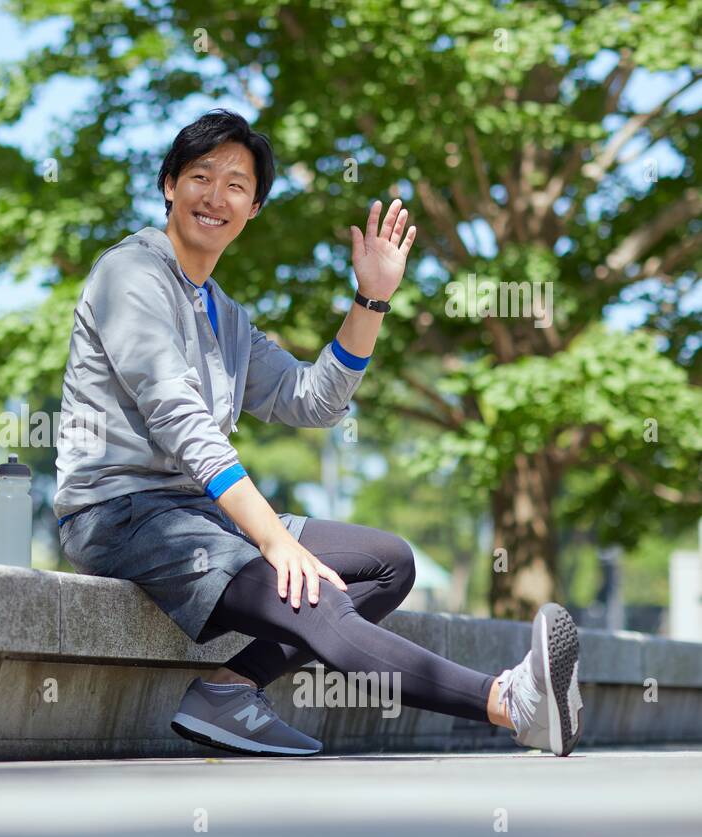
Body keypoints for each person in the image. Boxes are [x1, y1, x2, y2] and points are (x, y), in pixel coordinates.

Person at [53, 109, 583, 757]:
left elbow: (312, 401)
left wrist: (372, 299)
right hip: (123, 516)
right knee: (315, 597)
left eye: (237, 186)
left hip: (196, 513)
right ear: (168, 184)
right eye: (200, 176)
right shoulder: (131, 275)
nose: (216, 196)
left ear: (254, 208)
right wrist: (275, 541)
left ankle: (227, 692)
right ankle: (510, 704)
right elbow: (182, 423)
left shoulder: (222, 312)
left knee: (387, 562)